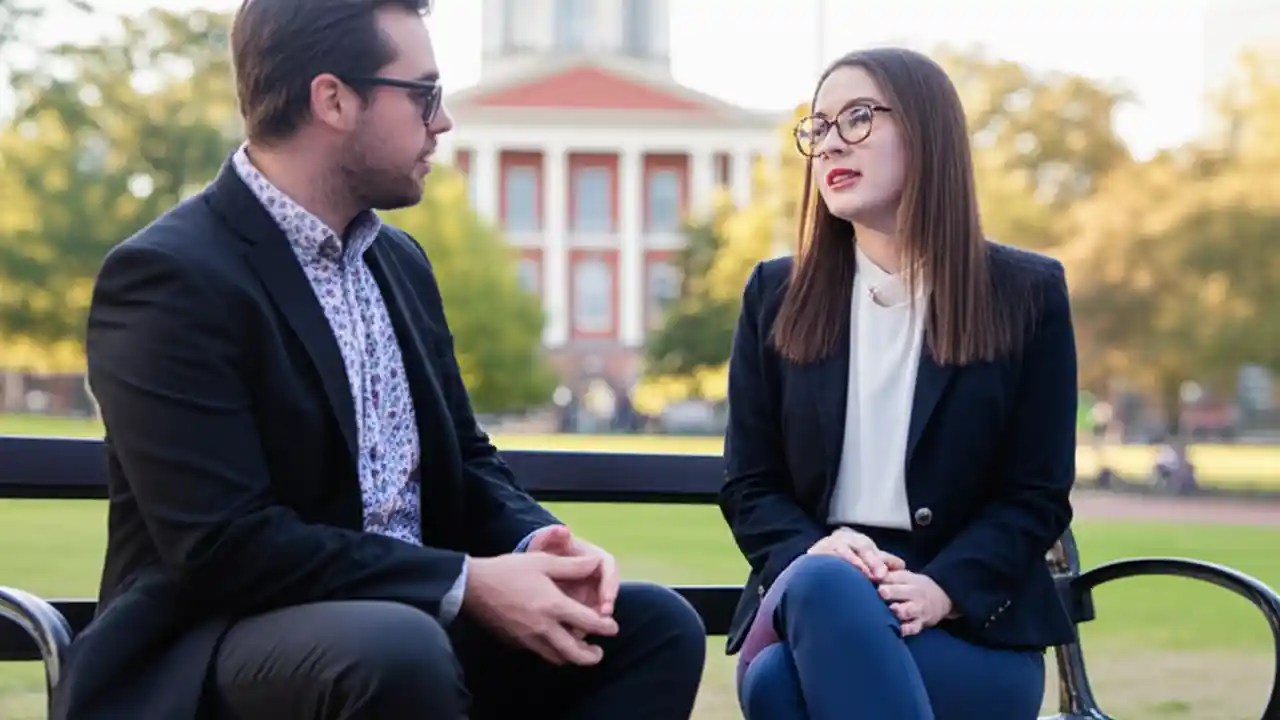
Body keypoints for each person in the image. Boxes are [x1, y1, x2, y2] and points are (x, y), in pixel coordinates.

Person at [52, 1, 705, 718]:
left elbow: (465, 460)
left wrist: (537, 543)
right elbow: (223, 546)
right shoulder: (171, 278)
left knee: (653, 628)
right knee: (397, 646)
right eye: (423, 94)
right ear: (333, 100)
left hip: (406, 629)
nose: (443, 122)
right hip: (217, 643)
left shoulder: (398, 262)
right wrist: (465, 582)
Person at [719, 46, 1079, 720]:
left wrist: (942, 590)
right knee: (822, 586)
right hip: (810, 590)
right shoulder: (776, 295)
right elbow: (749, 484)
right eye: (818, 127)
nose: (830, 144)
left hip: (969, 627)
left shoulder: (1024, 294)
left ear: (926, 132)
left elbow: (1034, 493)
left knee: (779, 690)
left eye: (857, 118)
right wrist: (815, 550)